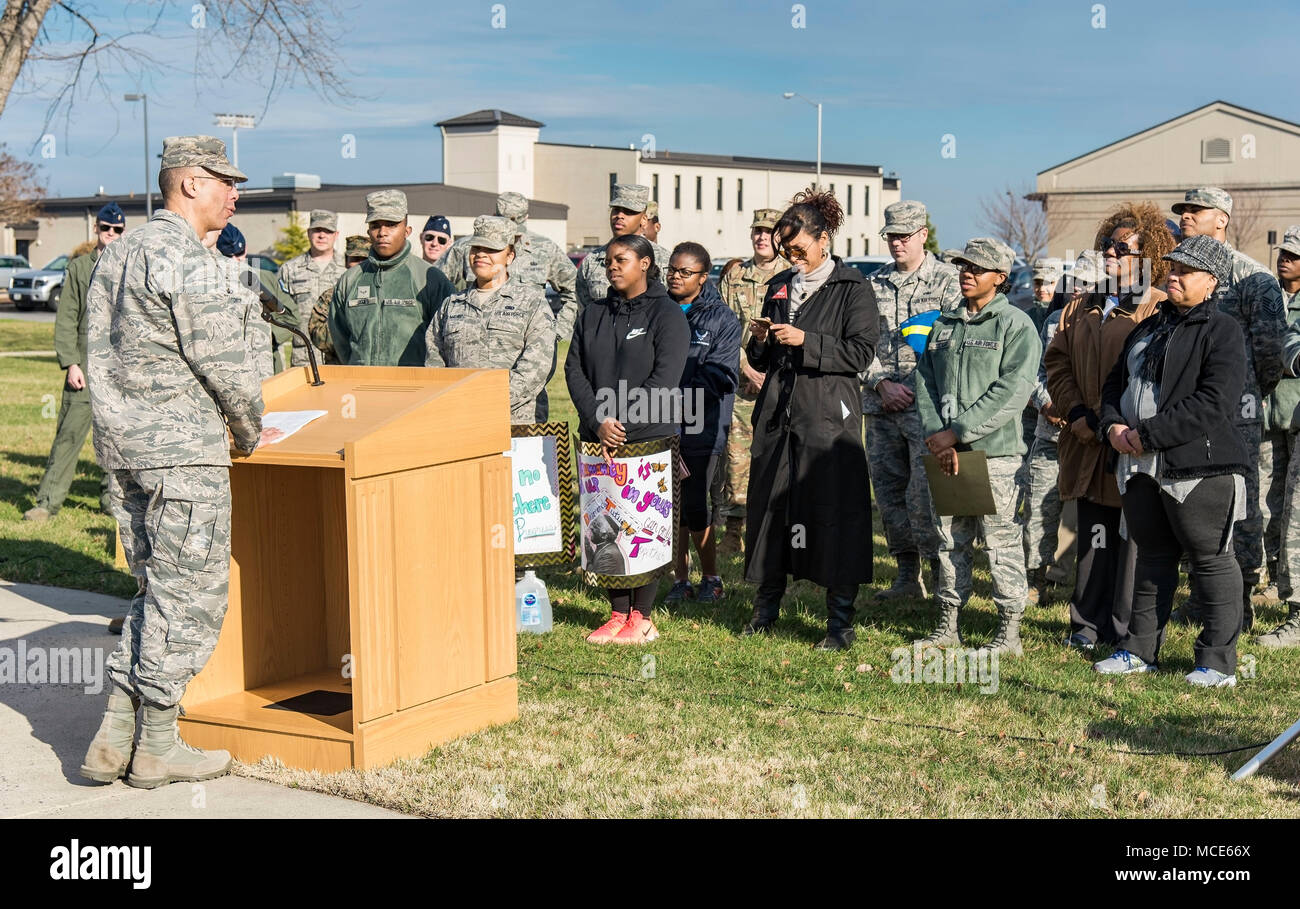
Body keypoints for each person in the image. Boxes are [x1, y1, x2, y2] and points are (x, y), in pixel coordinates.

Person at [79, 135, 264, 788]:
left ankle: (115, 734)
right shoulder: (184, 257)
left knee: (154, 591)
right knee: (188, 599)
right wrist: (250, 430)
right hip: (185, 456)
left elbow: (94, 353)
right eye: (225, 181)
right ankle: (157, 744)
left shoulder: (118, 252)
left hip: (126, 454)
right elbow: (228, 364)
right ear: (189, 183)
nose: (234, 195)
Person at [1094, 235, 1248, 687]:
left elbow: (1214, 402)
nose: (1174, 276)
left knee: (1211, 560)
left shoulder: (1223, 331)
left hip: (1200, 468)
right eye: (1172, 268)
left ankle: (1217, 663)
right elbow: (1112, 384)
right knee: (1153, 557)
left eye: (1186, 271)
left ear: (1212, 282)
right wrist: (1111, 427)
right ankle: (1139, 650)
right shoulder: (1148, 327)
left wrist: (1149, 434)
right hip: (1139, 465)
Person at [742, 188, 878, 651]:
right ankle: (765, 609)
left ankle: (839, 622)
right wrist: (761, 341)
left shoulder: (853, 287)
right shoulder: (780, 284)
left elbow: (860, 352)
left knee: (834, 509)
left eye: (800, 249)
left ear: (824, 238)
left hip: (828, 414)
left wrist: (806, 340)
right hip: (778, 412)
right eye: (787, 250)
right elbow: (763, 357)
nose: (794, 258)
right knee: (771, 506)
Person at [1045, 206, 1174, 648]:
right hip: (1086, 440)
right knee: (1093, 535)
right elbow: (1057, 362)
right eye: (1107, 245)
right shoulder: (1083, 304)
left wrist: (1121, 424)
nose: (1111, 253)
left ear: (1150, 253)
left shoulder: (1158, 306)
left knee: (1133, 539)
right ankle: (1086, 626)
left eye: (1123, 247)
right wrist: (1077, 414)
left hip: (1131, 443)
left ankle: (1125, 631)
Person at [915, 238, 1040, 656]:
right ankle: (948, 624)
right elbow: (926, 380)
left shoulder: (1015, 325)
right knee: (949, 539)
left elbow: (1013, 391)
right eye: (963, 265)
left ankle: (1009, 632)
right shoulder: (945, 324)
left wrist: (959, 432)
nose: (966, 273)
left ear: (1000, 278)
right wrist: (938, 435)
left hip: (996, 456)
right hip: (946, 452)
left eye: (977, 268)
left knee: (1001, 541)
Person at [566, 234, 688, 645]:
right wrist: (600, 420)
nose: (612, 266)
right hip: (599, 437)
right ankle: (617, 613)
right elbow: (575, 371)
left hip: (647, 439)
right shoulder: (593, 313)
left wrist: (623, 426)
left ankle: (644, 616)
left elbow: (666, 378)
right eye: (608, 261)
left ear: (646, 263)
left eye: (622, 259)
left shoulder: (667, 314)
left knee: (642, 528)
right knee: (604, 524)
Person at [1173, 187, 1285, 629]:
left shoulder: (1253, 279)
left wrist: (1245, 392)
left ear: (1221, 219)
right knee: (1192, 499)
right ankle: (1201, 597)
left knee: (1241, 504)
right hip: (1186, 410)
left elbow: (1271, 352)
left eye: (1195, 211)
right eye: (1182, 211)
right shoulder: (1181, 275)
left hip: (1235, 413)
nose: (1185, 217)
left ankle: (1239, 600)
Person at [862, 200, 961, 600]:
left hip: (927, 410)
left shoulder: (949, 281)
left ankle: (942, 580)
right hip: (882, 406)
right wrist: (881, 382)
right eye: (892, 236)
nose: (897, 243)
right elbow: (859, 344)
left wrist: (918, 388)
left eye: (905, 235)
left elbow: (956, 347)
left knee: (927, 497)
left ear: (923, 234)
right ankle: (906, 576)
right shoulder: (874, 284)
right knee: (888, 494)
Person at [23, 202, 125, 523]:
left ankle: (113, 501)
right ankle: (47, 502)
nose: (111, 235)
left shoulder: (130, 268)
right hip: (84, 366)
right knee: (68, 435)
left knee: (115, 440)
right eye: (106, 228)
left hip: (119, 372)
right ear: (96, 229)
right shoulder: (80, 269)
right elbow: (66, 318)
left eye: (118, 230)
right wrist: (71, 363)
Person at [662, 241, 740, 605]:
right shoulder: (657, 309)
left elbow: (721, 374)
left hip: (701, 423)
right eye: (672, 270)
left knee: (695, 503)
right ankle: (680, 578)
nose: (676, 277)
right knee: (668, 504)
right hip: (656, 421)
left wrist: (675, 402)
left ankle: (711, 577)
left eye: (685, 272)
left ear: (703, 276)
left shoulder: (721, 318)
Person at [425, 216, 556, 423]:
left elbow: (536, 368)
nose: (481, 255)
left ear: (510, 256)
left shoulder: (532, 303)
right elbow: (435, 362)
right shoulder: (451, 305)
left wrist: (488, 402)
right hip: (459, 419)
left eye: (492, 249)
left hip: (514, 423)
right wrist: (453, 402)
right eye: (476, 248)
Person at [718, 212, 789, 555]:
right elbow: (722, 327)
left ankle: (775, 529)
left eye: (768, 232)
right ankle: (733, 530)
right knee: (736, 458)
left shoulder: (792, 274)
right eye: (757, 232)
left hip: (781, 381)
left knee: (778, 455)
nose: (762, 237)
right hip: (741, 382)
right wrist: (746, 368)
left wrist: (772, 372)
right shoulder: (735, 276)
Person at [328, 190, 454, 366]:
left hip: (414, 388)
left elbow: (447, 341)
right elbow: (340, 339)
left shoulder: (430, 279)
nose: (382, 232)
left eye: (391, 224)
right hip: (362, 386)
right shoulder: (350, 280)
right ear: (368, 231)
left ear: (407, 230)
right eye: (375, 225)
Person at [572, 183, 670, 342]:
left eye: (629, 212)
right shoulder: (592, 262)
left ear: (644, 220)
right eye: (616, 210)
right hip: (603, 347)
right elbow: (586, 317)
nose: (620, 215)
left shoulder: (664, 261)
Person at [1259, 226, 1300, 602]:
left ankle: (1287, 580)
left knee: (1292, 505)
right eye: (1283, 253)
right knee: (1265, 501)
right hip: (1266, 415)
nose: (1285, 259)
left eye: (1294, 255)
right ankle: (1270, 573)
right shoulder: (1267, 295)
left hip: (1295, 416)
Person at [209, 223, 274, 384]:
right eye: (230, 256)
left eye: (240, 253)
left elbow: (258, 339)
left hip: (242, 378)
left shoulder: (250, 278)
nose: (237, 260)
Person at [277, 209, 343, 369]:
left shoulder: (348, 269)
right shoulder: (289, 270)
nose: (322, 235)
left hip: (340, 357)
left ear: (336, 234)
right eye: (317, 230)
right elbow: (278, 315)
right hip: (303, 358)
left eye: (328, 231)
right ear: (308, 233)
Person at [1018, 258, 1065, 449]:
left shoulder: (1066, 317)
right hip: (1029, 409)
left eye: (1050, 283)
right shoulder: (1024, 318)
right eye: (1038, 283)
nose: (1042, 289)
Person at [308, 234, 370, 365]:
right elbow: (318, 337)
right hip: (339, 370)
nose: (359, 264)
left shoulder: (382, 294)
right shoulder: (331, 296)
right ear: (346, 262)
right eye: (355, 259)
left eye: (364, 259)